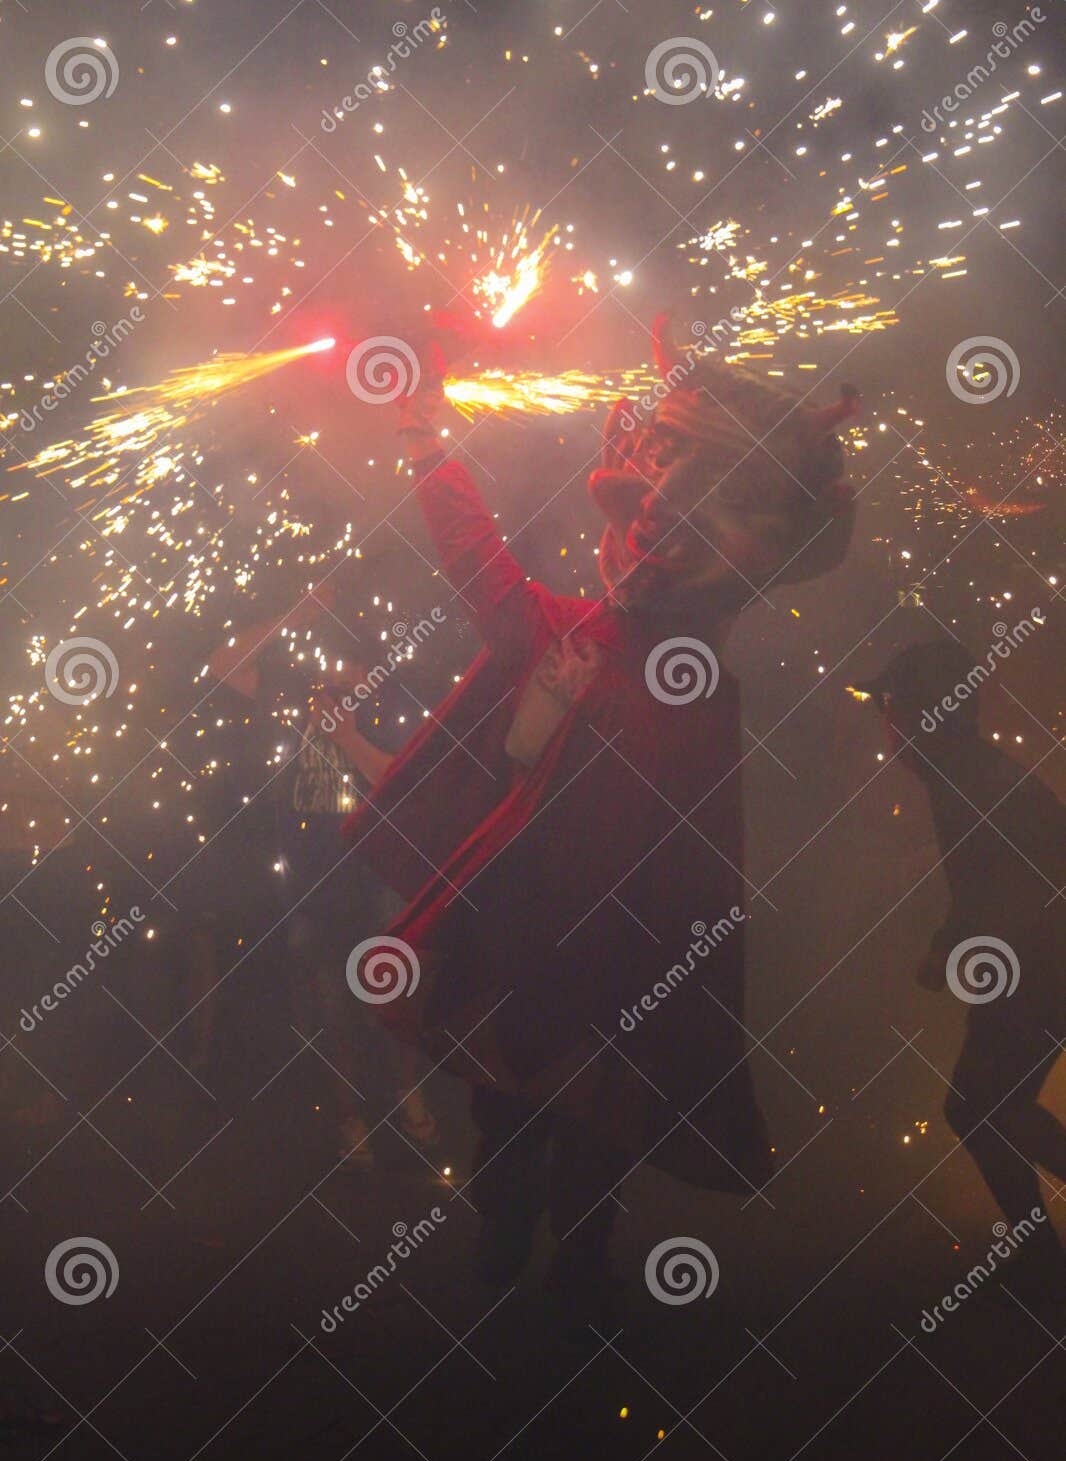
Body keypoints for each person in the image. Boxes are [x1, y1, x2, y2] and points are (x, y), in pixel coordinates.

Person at [342, 320, 860, 1298]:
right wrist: (423, 435)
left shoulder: (687, 679)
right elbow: (481, 570)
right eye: (658, 483)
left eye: (721, 500)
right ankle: (514, 1261)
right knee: (511, 1112)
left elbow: (669, 852)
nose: (662, 511)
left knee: (592, 1122)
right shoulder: (575, 634)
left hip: (613, 962)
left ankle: (572, 1279)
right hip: (532, 946)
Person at [205, 580, 437, 1162]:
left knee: (394, 1003)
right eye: (338, 667)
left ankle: (409, 1095)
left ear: (372, 670)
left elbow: (405, 781)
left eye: (357, 667)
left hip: (382, 888)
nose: (344, 678)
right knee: (334, 1016)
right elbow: (224, 663)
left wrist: (350, 738)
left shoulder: (390, 710)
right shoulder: (291, 706)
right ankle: (349, 1118)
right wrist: (296, 610)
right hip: (315, 890)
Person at [863, 638, 1066, 1280]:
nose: (888, 726)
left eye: (894, 708)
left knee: (980, 1106)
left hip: (1039, 966)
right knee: (989, 1105)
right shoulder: (972, 776)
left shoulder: (972, 783)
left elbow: (1013, 889)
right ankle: (1042, 1263)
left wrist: (949, 946)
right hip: (1034, 964)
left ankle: (1043, 1267)